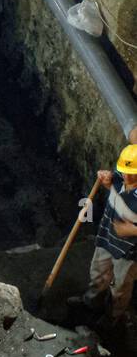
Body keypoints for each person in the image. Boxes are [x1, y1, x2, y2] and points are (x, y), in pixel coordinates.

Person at [70, 129, 137, 326]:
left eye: (132, 175)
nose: (126, 178)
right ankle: (90, 303)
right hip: (106, 239)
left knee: (120, 287)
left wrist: (132, 230)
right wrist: (107, 179)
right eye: (124, 172)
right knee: (98, 273)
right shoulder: (121, 176)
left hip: (128, 252)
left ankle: (112, 318)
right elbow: (114, 181)